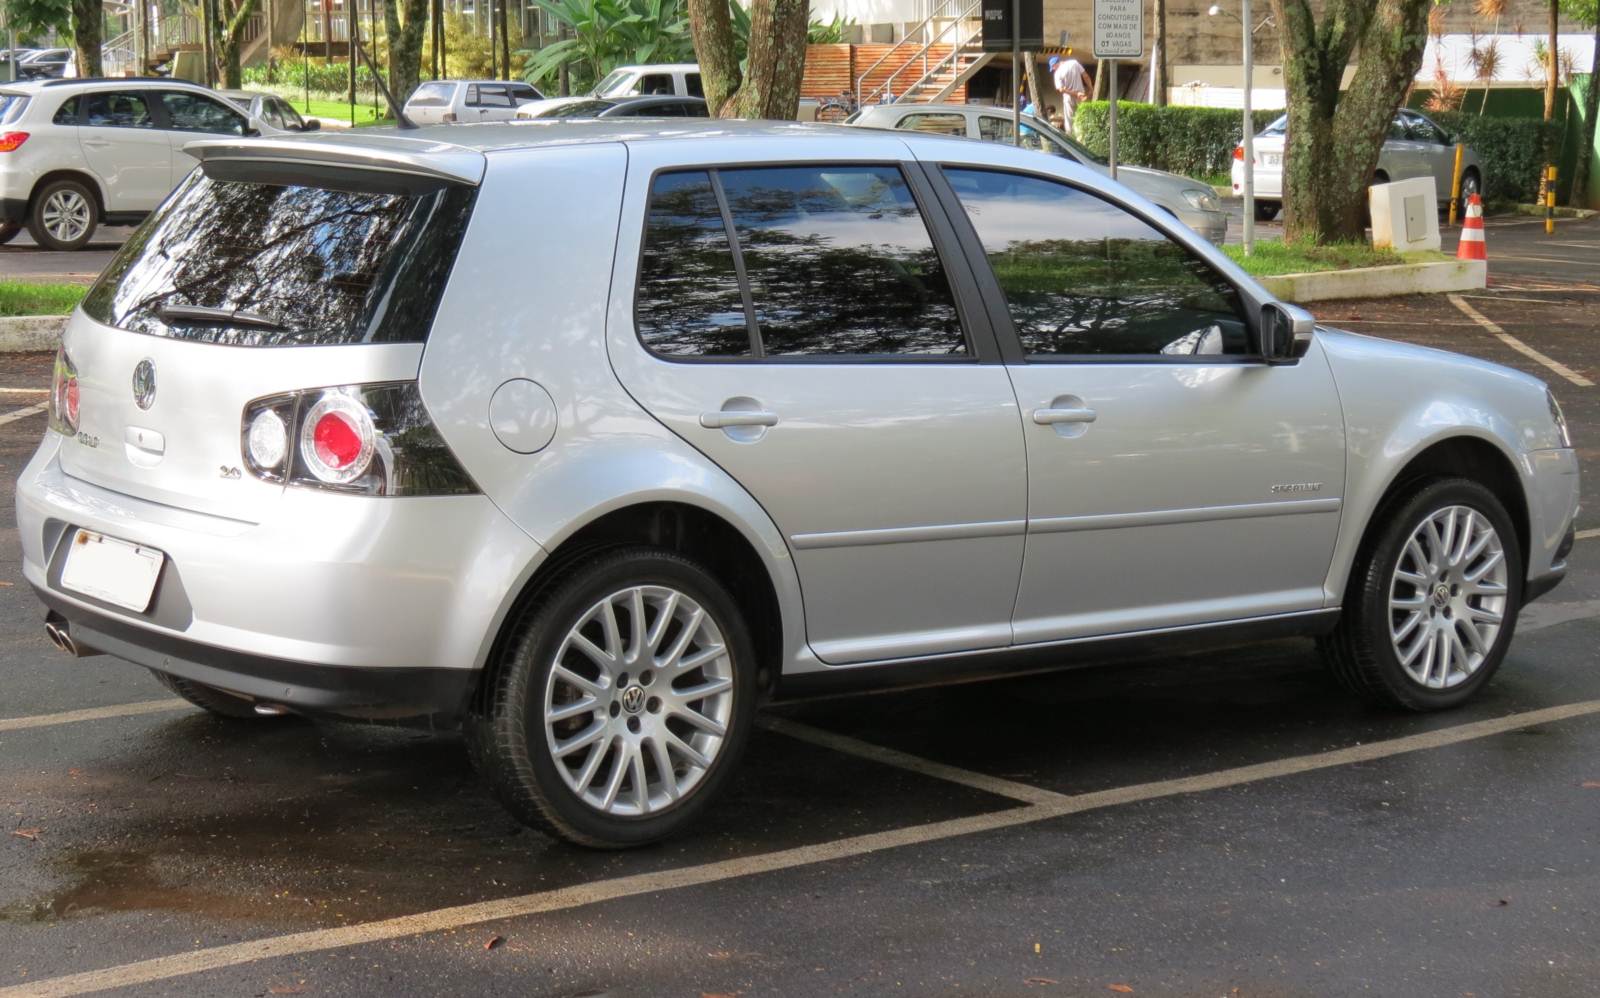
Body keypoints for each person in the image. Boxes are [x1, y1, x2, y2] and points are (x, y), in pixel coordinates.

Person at [1051, 55, 1091, 135]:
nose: (1053, 70)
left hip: (1068, 99)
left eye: (1053, 68)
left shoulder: (1057, 73)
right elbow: (1085, 76)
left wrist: (1076, 94)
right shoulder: (1074, 62)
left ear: (1054, 65)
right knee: (1083, 120)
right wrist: (1091, 89)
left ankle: (1070, 143)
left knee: (1069, 123)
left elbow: (1061, 89)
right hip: (1081, 97)